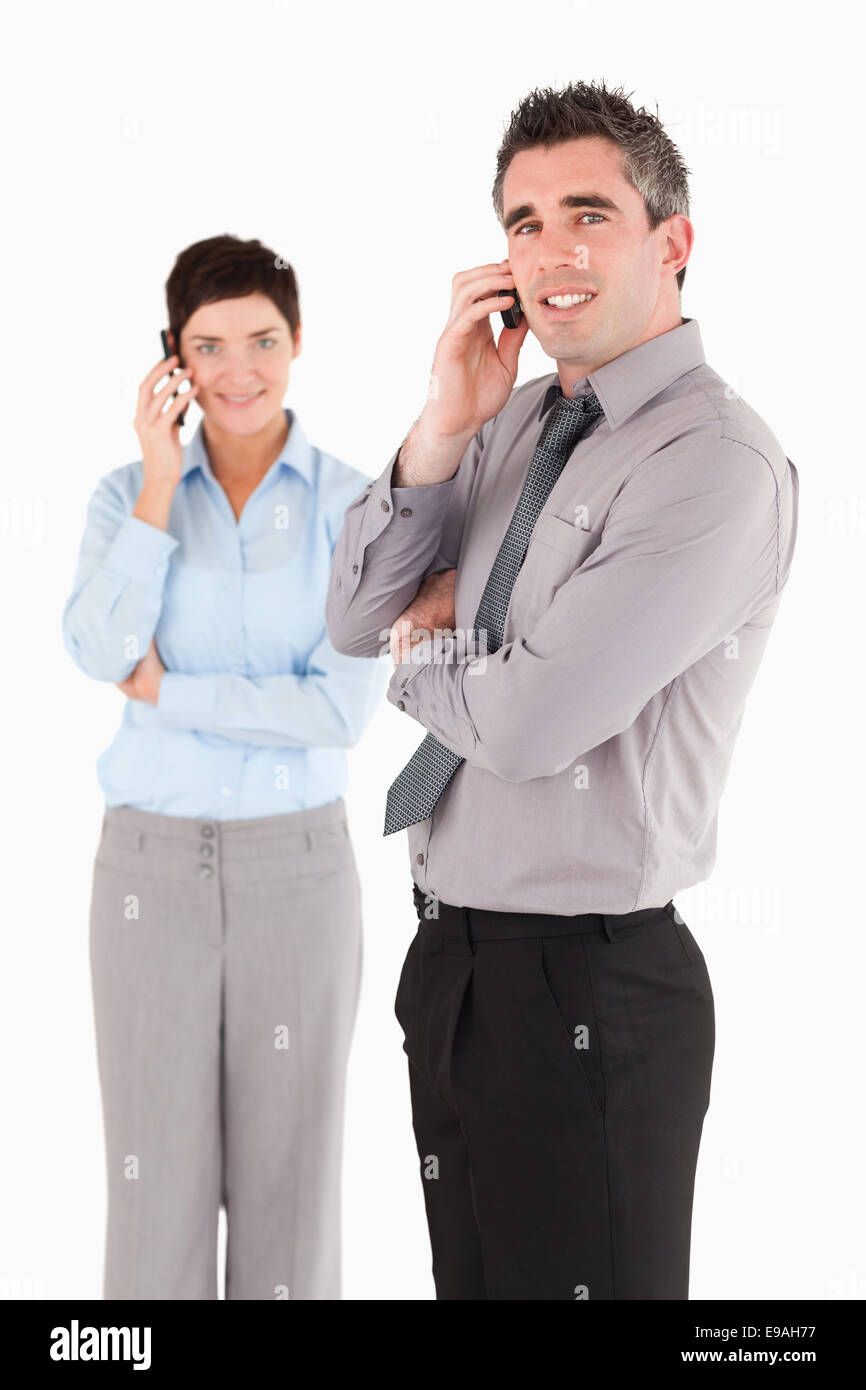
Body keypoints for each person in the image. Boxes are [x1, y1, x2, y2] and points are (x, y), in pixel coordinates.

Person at [325, 81, 799, 1300]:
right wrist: (439, 428)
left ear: (669, 242)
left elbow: (532, 724)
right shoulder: (510, 417)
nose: (548, 251)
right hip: (450, 969)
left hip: (589, 985)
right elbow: (351, 615)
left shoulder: (712, 463)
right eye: (522, 221)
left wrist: (428, 652)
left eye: (585, 212)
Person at [61, 234, 389, 1300]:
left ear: (297, 343)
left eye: (260, 339)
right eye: (208, 346)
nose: (237, 370)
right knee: (150, 1190)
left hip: (297, 872)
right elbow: (98, 651)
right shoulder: (126, 496)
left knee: (293, 1193)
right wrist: (162, 486)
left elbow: (336, 711)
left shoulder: (352, 505)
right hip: (147, 874)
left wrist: (171, 693)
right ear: (173, 360)